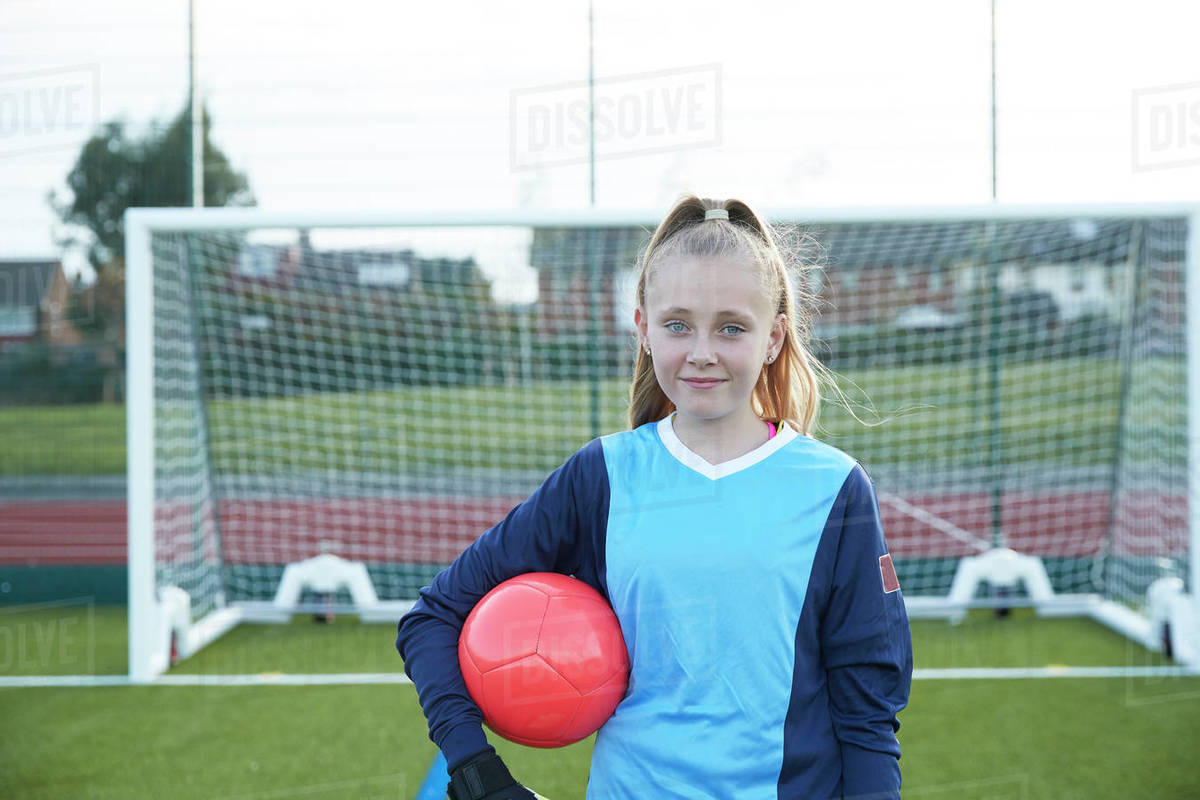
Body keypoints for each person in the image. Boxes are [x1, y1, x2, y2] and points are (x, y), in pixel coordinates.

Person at [396, 194, 913, 800]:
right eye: (677, 325)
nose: (701, 351)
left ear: (773, 338)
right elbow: (432, 617)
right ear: (642, 328)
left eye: (731, 328)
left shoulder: (833, 487)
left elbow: (867, 710)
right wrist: (476, 772)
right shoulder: (605, 476)